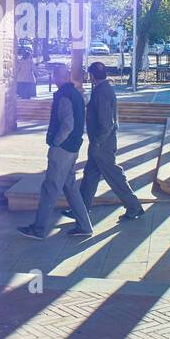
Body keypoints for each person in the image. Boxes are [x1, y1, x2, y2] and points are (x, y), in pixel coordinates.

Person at [18, 63, 93, 239]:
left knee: (50, 188)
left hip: (63, 149)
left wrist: (56, 143)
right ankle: (84, 226)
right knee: (70, 188)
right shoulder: (75, 93)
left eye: (55, 75)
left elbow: (68, 124)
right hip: (73, 147)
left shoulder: (64, 95)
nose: (54, 78)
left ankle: (39, 229)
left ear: (60, 77)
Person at [80, 61, 145, 220]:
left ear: (93, 75)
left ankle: (134, 206)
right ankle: (80, 209)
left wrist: (97, 141)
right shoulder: (105, 89)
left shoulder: (101, 92)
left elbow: (106, 122)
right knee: (90, 176)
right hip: (101, 142)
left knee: (114, 176)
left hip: (102, 143)